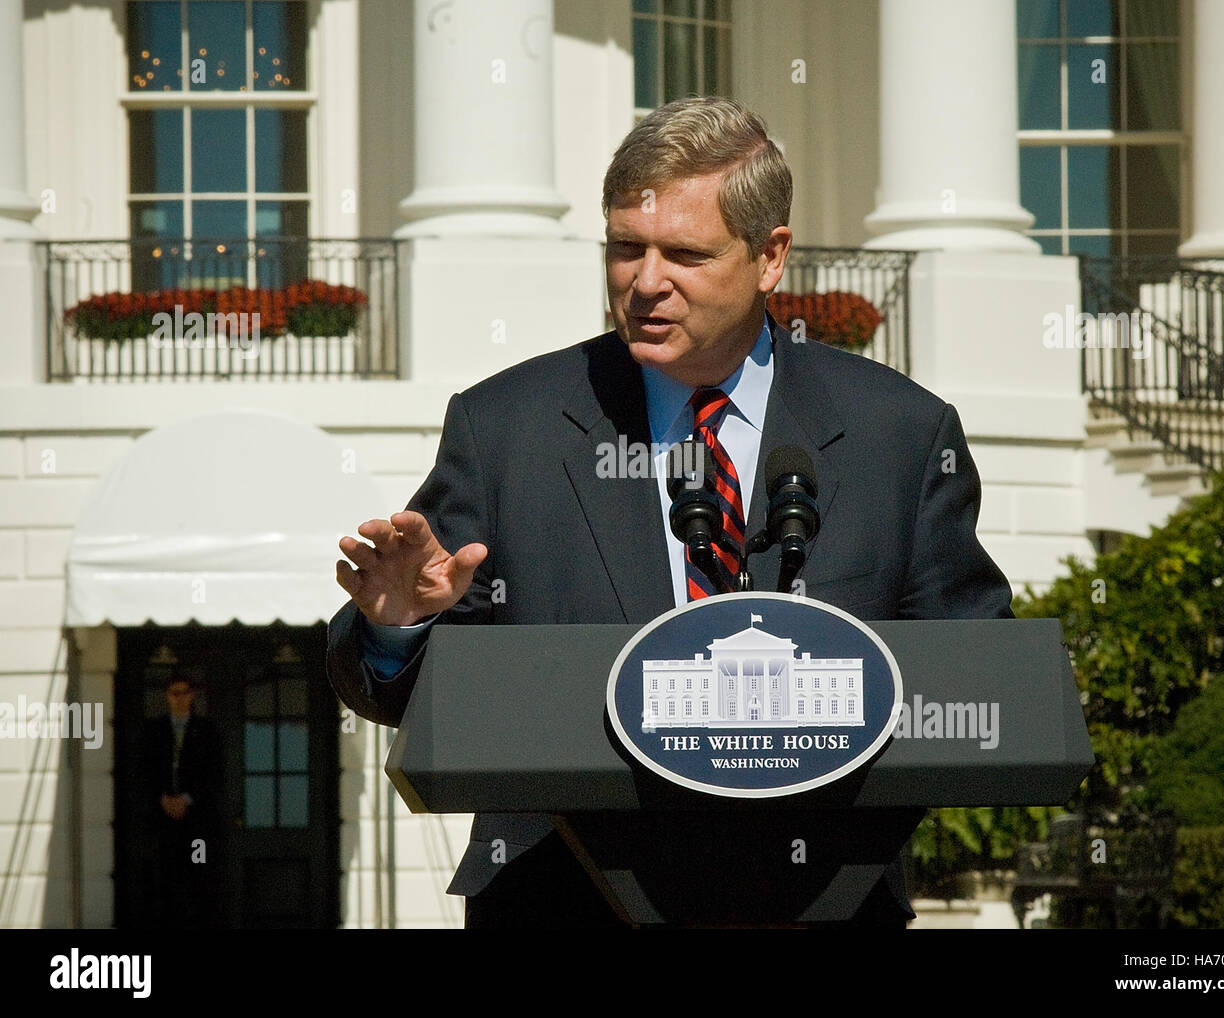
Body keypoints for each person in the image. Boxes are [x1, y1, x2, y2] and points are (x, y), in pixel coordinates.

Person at [328, 95, 1014, 927]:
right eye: (626, 248)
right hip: (564, 898)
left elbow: (980, 675)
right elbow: (404, 685)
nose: (645, 282)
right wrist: (400, 629)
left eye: (684, 253)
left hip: (823, 898)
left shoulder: (899, 434)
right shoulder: (508, 426)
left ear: (770, 257)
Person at [144, 674, 219, 927]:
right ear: (167, 696)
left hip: (197, 821)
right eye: (174, 693)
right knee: (165, 874)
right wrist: (162, 798)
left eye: (184, 692)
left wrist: (188, 799)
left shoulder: (205, 730)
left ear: (192, 695)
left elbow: (212, 773)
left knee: (198, 871)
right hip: (163, 819)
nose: (179, 698)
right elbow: (145, 770)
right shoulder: (155, 731)